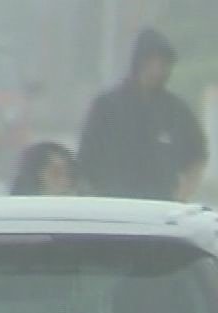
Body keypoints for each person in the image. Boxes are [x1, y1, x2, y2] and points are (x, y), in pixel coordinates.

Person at [75, 28, 207, 201]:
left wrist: (182, 196)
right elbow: (86, 160)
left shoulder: (176, 111)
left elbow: (197, 154)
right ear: (139, 62)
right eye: (155, 63)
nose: (160, 71)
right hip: (112, 204)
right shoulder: (107, 106)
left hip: (160, 206)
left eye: (165, 64)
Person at [8, 141, 78, 196]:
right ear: (36, 175)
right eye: (56, 172)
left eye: (69, 172)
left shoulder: (80, 204)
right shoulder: (14, 207)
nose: (64, 179)